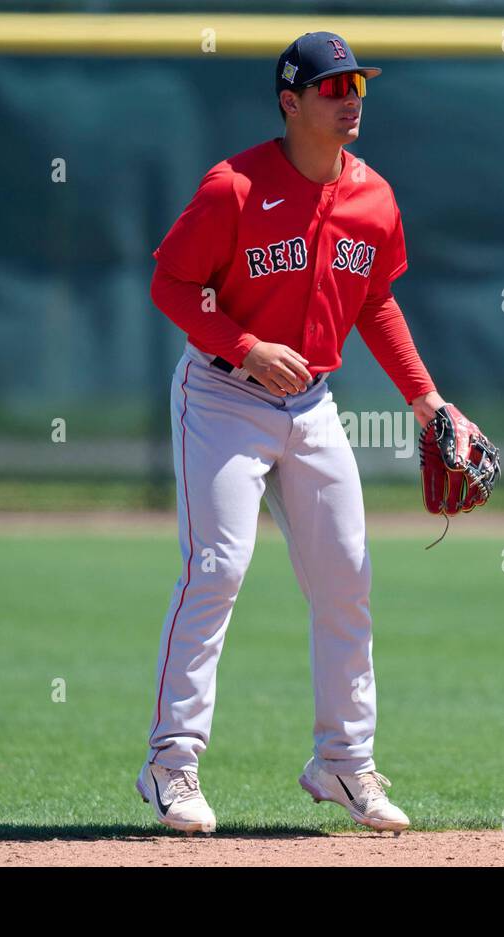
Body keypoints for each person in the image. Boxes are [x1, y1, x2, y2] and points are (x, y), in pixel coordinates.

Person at [138, 31, 447, 835]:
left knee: (347, 577)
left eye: (357, 87)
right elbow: (170, 282)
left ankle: (344, 764)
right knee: (217, 569)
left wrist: (426, 400)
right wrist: (240, 345)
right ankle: (171, 764)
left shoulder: (374, 198)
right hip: (221, 395)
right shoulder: (233, 188)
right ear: (291, 102)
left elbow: (373, 302)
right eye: (333, 88)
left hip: (311, 406)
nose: (349, 100)